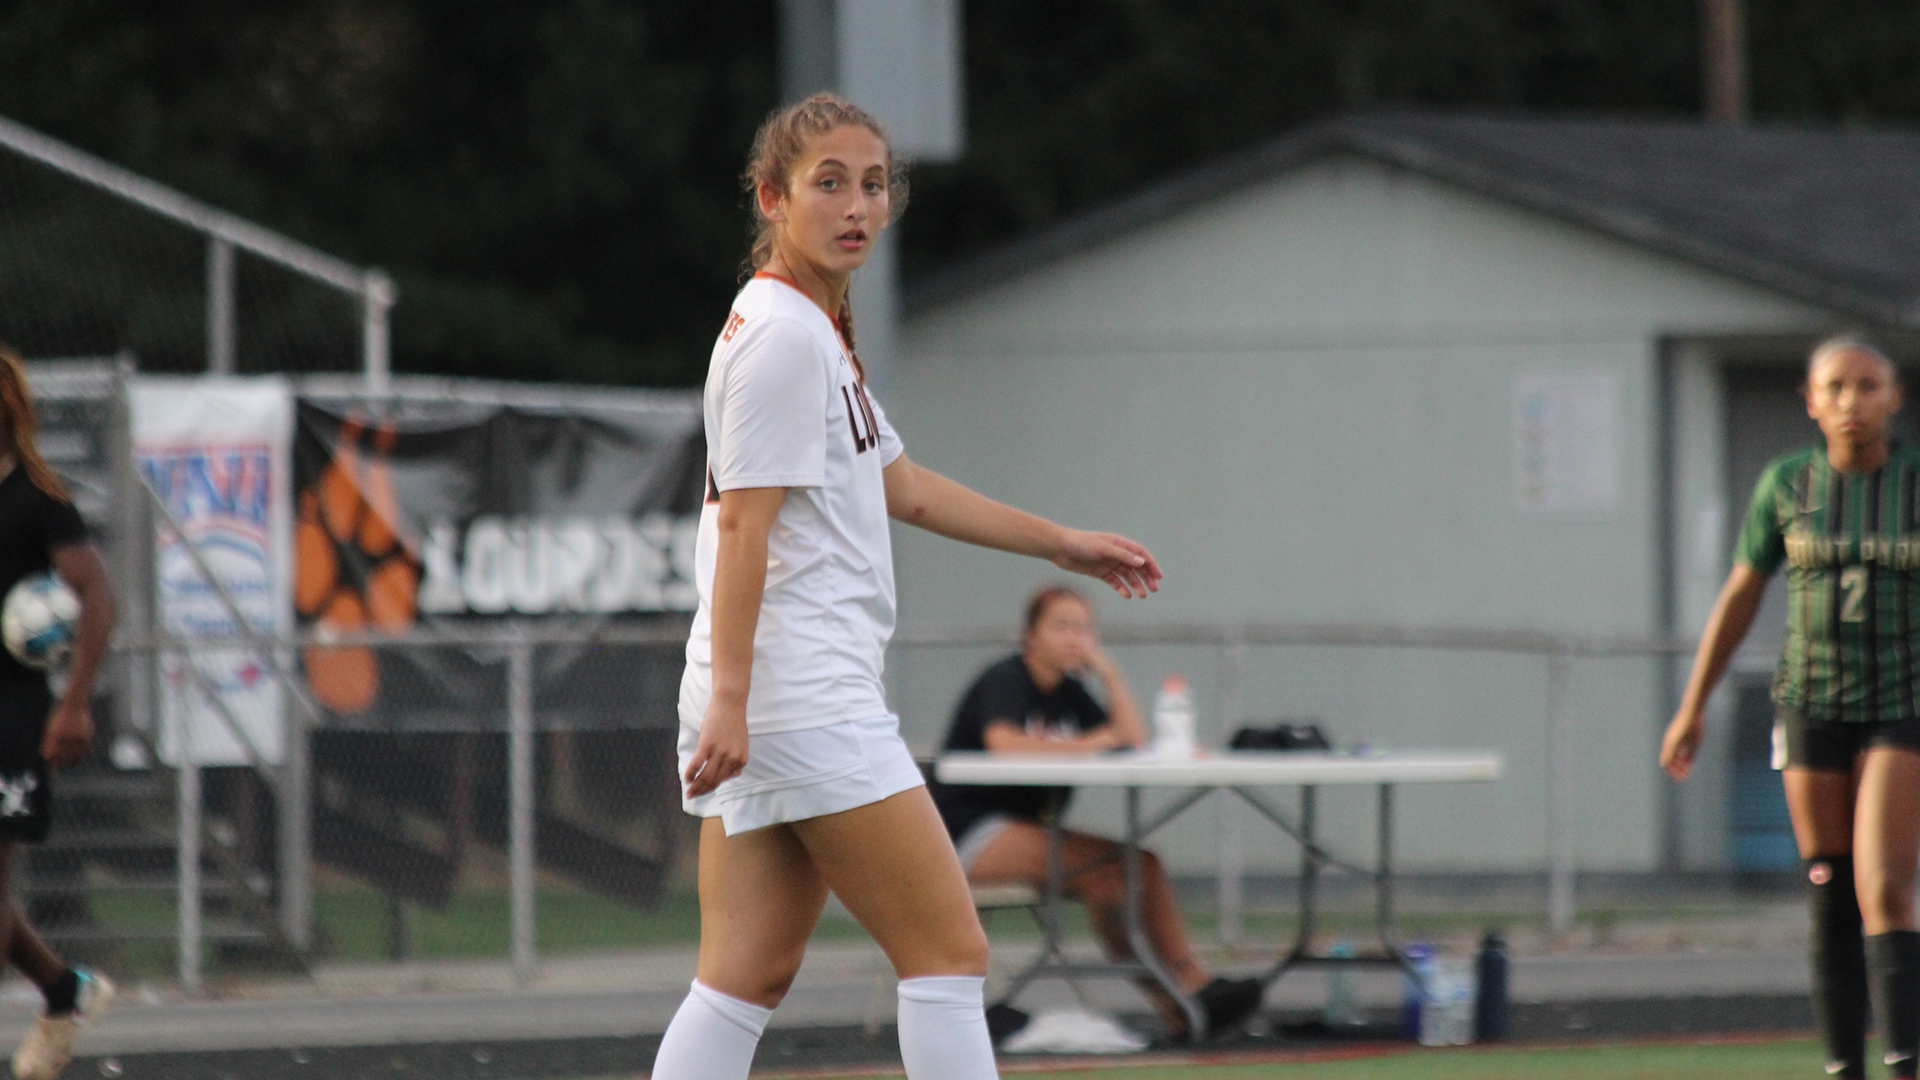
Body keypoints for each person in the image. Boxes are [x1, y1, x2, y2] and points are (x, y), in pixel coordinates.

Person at [654, 93, 1163, 1080]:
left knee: (743, 975)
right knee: (949, 955)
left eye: (874, 183)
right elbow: (743, 528)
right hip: (800, 700)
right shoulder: (782, 338)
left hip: (777, 701)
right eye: (828, 183)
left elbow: (907, 488)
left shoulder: (812, 330)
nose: (856, 204)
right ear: (773, 198)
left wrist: (1062, 543)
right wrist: (730, 705)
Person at [1662, 334, 1920, 1080]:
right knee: (1830, 887)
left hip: (1901, 698)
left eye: (1867, 386)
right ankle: (1844, 1065)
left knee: (1885, 886)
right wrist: (1694, 705)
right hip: (1813, 700)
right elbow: (1742, 594)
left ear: (1893, 397)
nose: (1851, 402)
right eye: (1835, 387)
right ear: (1811, 401)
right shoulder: (1787, 485)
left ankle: (1904, 1062)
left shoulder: (1912, 485)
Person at [928, 585, 1263, 1041]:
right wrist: (1088, 743)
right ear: (1031, 634)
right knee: (1107, 872)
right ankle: (1185, 994)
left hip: (1027, 830)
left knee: (1140, 866)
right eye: (1061, 626)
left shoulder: (1070, 691)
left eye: (1084, 629)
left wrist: (1108, 671)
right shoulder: (1006, 678)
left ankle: (1186, 994)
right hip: (963, 834)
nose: (1074, 638)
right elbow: (1003, 743)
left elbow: (1130, 740)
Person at [0, 348, 117, 1080]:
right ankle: (65, 991)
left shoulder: (40, 497)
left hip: (12, 711)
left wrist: (73, 703)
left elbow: (97, 596)